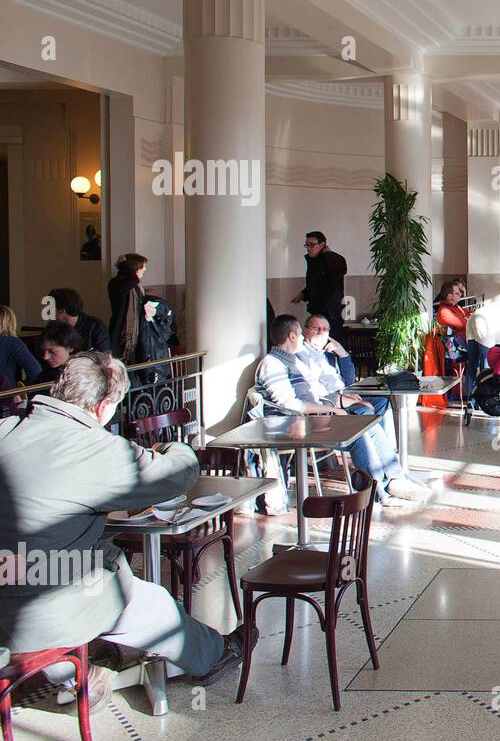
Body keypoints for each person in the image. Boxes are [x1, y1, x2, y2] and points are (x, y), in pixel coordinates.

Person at [0, 352, 248, 710]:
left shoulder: (7, 430)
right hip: (42, 609)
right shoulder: (94, 448)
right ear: (103, 407)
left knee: (103, 569)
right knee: (151, 603)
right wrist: (174, 447)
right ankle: (214, 656)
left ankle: (83, 667)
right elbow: (177, 474)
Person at [255, 315, 428, 505]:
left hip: (314, 417)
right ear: (293, 336)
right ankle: (381, 492)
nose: (304, 339)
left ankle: (395, 479)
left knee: (368, 425)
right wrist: (332, 409)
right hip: (297, 426)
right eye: (301, 335)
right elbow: (288, 404)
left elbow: (315, 393)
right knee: (358, 433)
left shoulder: (292, 362)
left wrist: (337, 403)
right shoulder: (273, 364)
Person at [291, 231, 347, 340]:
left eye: (312, 244)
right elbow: (316, 284)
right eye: (307, 245)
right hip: (317, 309)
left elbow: (340, 270)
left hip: (331, 311)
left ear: (322, 245)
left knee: (333, 340)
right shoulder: (313, 262)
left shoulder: (332, 259)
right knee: (316, 339)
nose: (308, 248)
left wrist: (328, 254)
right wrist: (303, 294)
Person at [108, 253, 148, 362]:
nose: (144, 269)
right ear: (133, 267)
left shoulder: (136, 286)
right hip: (121, 332)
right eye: (142, 266)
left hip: (138, 332)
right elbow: (132, 281)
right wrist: (126, 266)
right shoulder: (117, 283)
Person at [48, 287, 111, 354]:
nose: (48, 313)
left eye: (50, 310)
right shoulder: (53, 328)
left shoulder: (96, 326)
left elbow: (105, 357)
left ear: (62, 311)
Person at [0, 305, 41, 386]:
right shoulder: (11, 342)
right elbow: (36, 371)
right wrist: (23, 388)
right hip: (6, 395)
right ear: (10, 323)